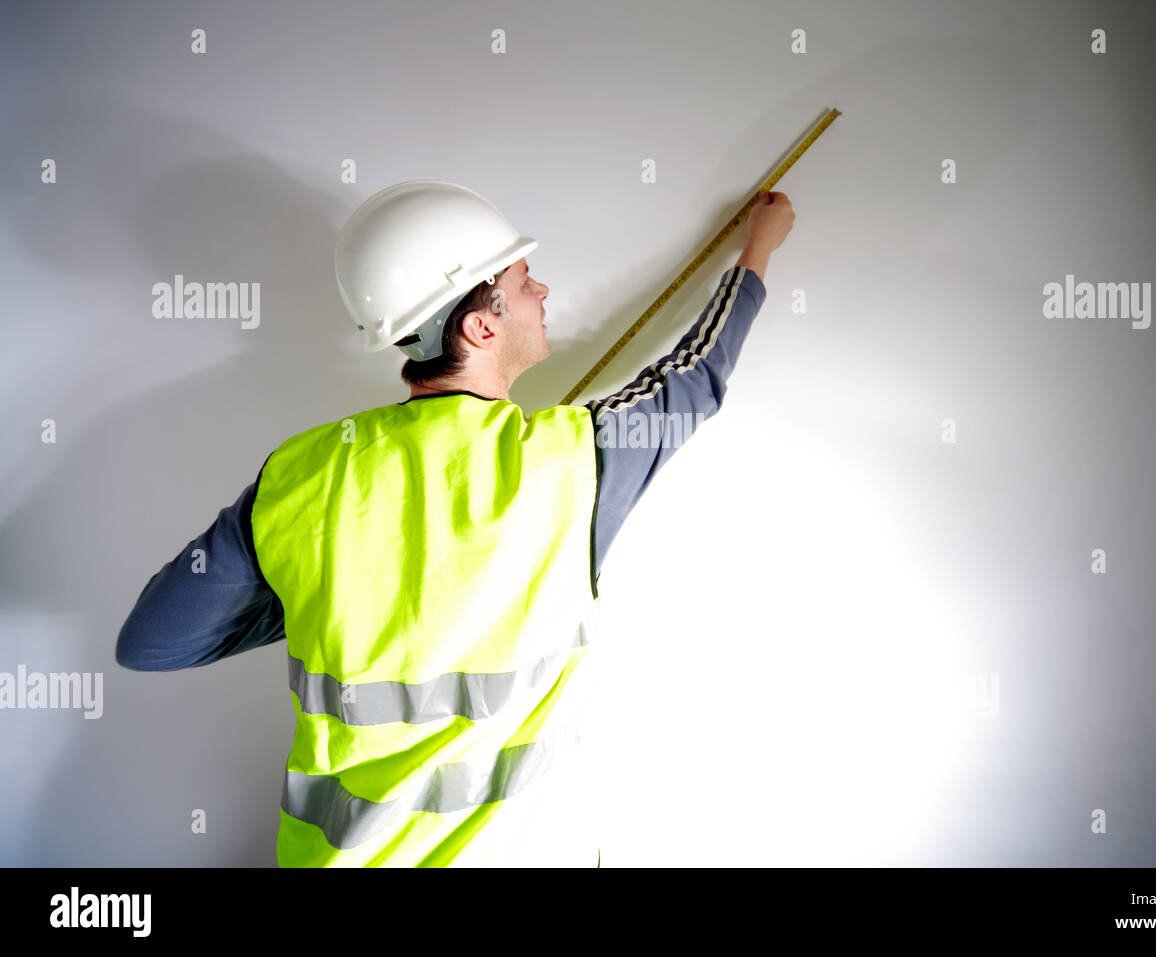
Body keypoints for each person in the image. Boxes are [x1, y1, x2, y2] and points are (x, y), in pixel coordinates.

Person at [116, 181, 795, 866]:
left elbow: (152, 641)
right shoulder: (574, 462)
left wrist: (319, 589)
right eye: (525, 279)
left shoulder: (300, 471)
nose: (544, 290)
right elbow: (695, 374)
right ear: (481, 325)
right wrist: (759, 249)